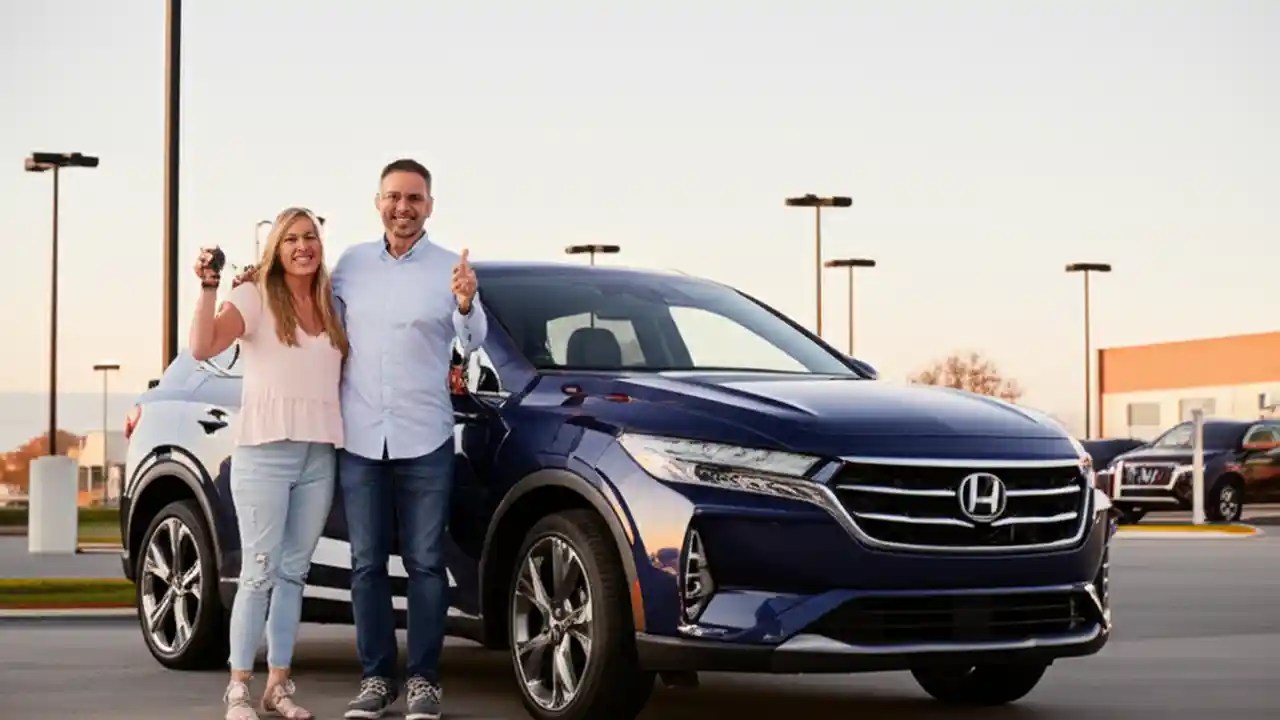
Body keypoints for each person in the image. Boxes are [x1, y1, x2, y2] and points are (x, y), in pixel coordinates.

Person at [333, 158, 485, 720]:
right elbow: (320, 328)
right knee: (366, 564)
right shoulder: (349, 266)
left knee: (425, 563)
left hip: (425, 437)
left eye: (414, 198)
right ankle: (376, 678)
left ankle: (424, 681)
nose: (403, 207)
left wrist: (466, 302)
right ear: (378, 202)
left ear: (429, 206)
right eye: (394, 197)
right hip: (360, 436)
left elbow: (473, 341)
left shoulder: (451, 269)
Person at [191, 206, 348, 720]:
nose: (304, 246)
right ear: (275, 248)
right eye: (292, 239)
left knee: (294, 575)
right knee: (258, 573)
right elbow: (202, 346)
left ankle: (278, 686)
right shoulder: (253, 296)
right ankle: (238, 689)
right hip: (264, 454)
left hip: (318, 455)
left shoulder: (330, 304)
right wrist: (210, 286)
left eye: (310, 237)